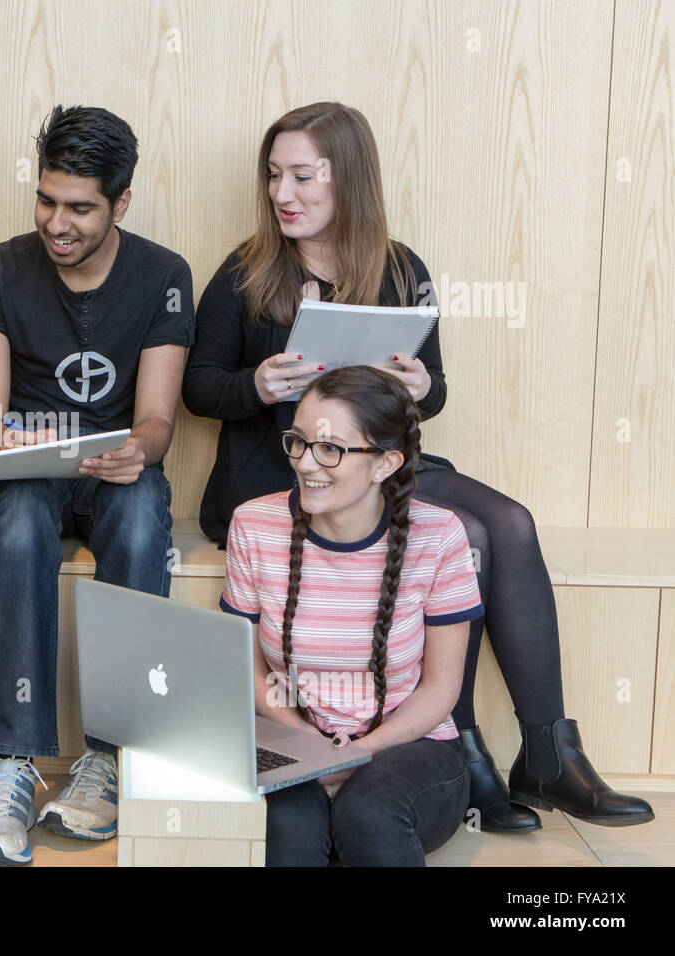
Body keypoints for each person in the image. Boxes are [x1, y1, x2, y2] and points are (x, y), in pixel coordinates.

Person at [183, 101, 652, 832]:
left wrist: (421, 388)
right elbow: (198, 385)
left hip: (378, 466)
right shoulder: (245, 273)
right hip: (287, 474)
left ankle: (549, 749)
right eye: (274, 175)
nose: (283, 193)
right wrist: (258, 385)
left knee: (505, 523)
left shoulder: (402, 268)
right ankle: (465, 755)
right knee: (449, 538)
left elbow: (430, 390)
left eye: (303, 176)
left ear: (350, 182)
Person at [0, 105, 194, 864]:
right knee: (21, 519)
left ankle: (109, 757)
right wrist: (14, 438)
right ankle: (9, 761)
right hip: (30, 471)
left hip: (113, 471)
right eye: (46, 200)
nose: (57, 223)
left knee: (136, 510)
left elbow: (159, 419)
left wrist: (139, 449)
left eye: (80, 208)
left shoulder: (163, 276)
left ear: (121, 202)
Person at [223, 365, 477, 866]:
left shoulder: (440, 535)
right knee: (289, 826)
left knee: (370, 815)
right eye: (298, 441)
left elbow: (441, 690)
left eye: (331, 448)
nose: (306, 463)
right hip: (291, 734)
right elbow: (247, 670)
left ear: (385, 463)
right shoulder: (253, 524)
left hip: (410, 744)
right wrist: (311, 746)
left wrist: (358, 754)